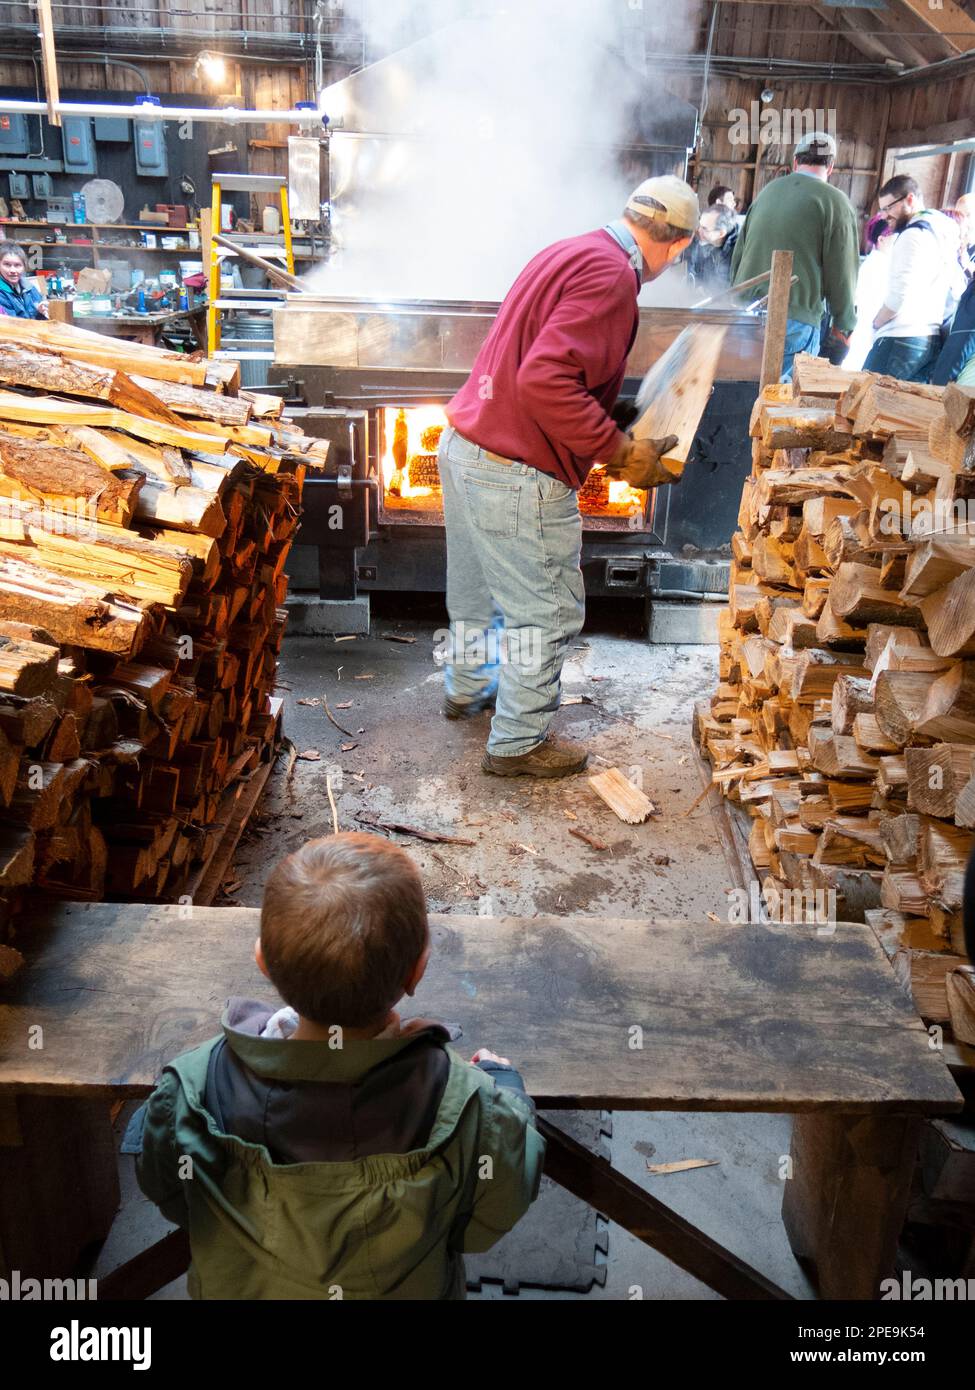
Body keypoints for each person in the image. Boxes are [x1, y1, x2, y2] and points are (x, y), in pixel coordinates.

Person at [133, 833, 545, 1300]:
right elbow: (490, 1217)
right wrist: (503, 1084)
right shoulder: (471, 1108)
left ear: (262, 961)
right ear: (418, 970)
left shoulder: (190, 1089)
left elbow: (170, 1194)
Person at [440, 175, 696, 779]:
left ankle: (466, 691)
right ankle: (518, 744)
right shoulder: (614, 277)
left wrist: (615, 415)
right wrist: (618, 451)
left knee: (475, 597)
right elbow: (545, 380)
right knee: (546, 612)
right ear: (678, 244)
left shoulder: (572, 250)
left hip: (467, 446)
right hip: (516, 469)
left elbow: (540, 360)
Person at [730, 130, 859, 382]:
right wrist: (844, 324)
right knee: (781, 408)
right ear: (831, 167)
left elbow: (739, 254)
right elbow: (842, 271)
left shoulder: (767, 193)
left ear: (795, 162)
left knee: (742, 396)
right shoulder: (835, 202)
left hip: (744, 316)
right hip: (793, 322)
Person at [863, 175, 966, 383]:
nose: (884, 216)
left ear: (910, 200)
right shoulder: (943, 231)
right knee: (901, 412)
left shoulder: (912, 236)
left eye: (888, 208)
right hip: (929, 339)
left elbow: (898, 297)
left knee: (861, 404)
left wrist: (875, 322)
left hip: (901, 336)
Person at [843, 214, 896, 371]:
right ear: (881, 240)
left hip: (866, 329)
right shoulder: (879, 267)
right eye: (894, 237)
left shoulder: (876, 264)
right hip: (869, 330)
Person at [685, 205, 739, 294]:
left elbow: (723, 289)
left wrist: (706, 291)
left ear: (721, 233)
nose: (698, 231)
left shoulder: (735, 253)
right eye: (699, 225)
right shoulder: (703, 241)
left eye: (705, 228)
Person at [0, 242, 49, 319]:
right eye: (7, 264)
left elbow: (43, 317)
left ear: (24, 267)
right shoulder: (1, 293)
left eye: (17, 265)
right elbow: (12, 325)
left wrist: (41, 313)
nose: (12, 270)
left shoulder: (30, 288)